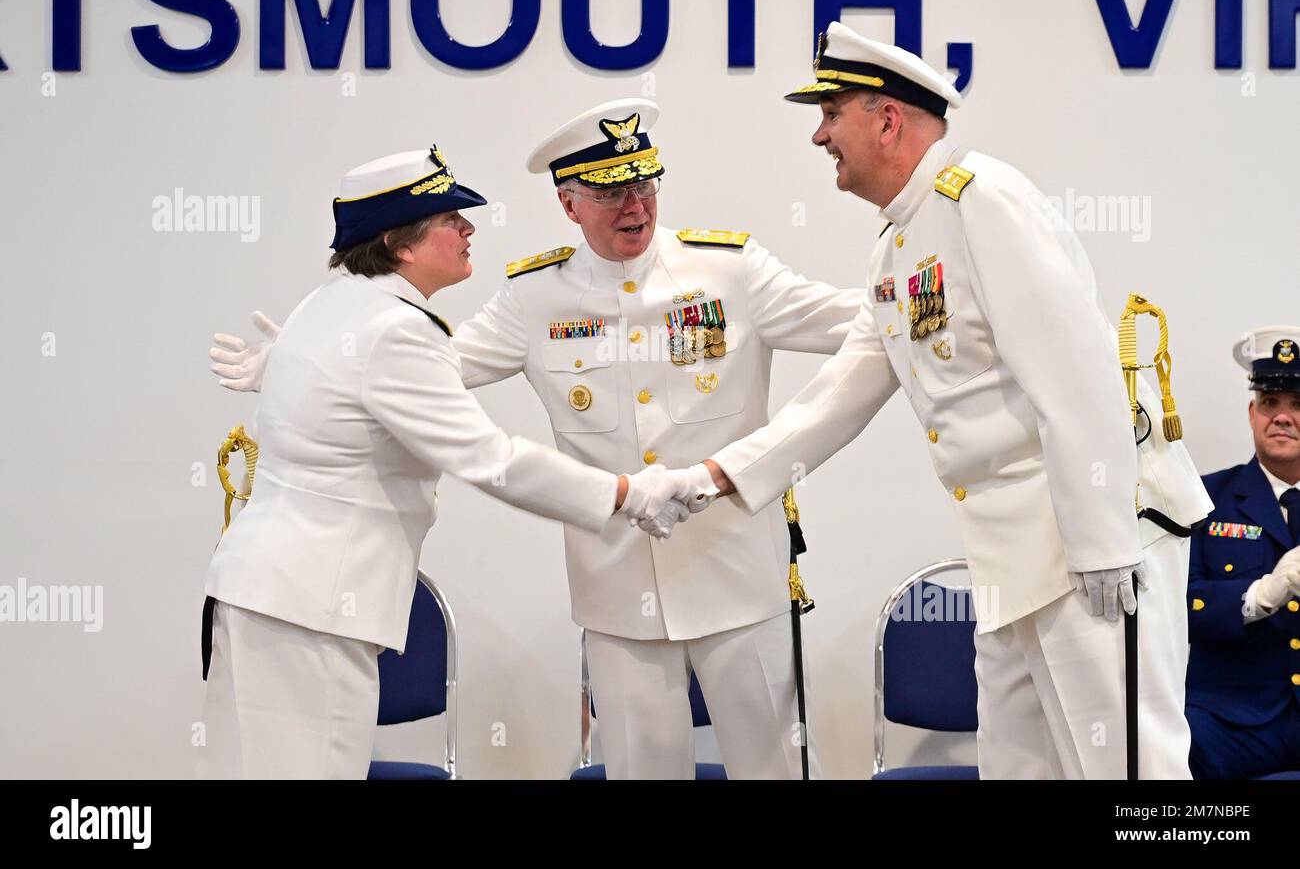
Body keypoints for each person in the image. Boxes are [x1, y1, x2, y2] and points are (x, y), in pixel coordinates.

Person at [209, 100, 866, 779]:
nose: (634, 205)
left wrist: (928, 298)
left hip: (738, 581)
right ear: (569, 203)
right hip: (617, 593)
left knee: (774, 770)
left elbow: (857, 323)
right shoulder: (535, 296)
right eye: (610, 192)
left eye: (644, 183)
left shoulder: (730, 270)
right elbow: (435, 376)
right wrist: (314, 361)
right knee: (642, 772)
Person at [654, 22, 1211, 778]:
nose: (820, 137)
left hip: (1090, 539)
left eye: (831, 114)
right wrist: (706, 479)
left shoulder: (985, 200)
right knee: (1021, 768)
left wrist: (1103, 542)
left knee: (1127, 771)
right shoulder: (898, 244)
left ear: (887, 120)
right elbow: (834, 402)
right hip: (1010, 555)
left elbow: (1079, 378)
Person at [199, 146, 681, 779]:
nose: (469, 229)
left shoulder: (333, 304)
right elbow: (491, 459)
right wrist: (627, 495)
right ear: (400, 243)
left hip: (270, 595)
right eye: (452, 219)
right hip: (310, 608)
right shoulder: (394, 329)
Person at [1186, 326, 1300, 779]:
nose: (1283, 417)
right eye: (1271, 403)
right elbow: (1179, 606)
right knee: (1176, 744)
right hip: (1232, 721)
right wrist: (1259, 596)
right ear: (1253, 413)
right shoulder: (1205, 500)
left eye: (1297, 405)